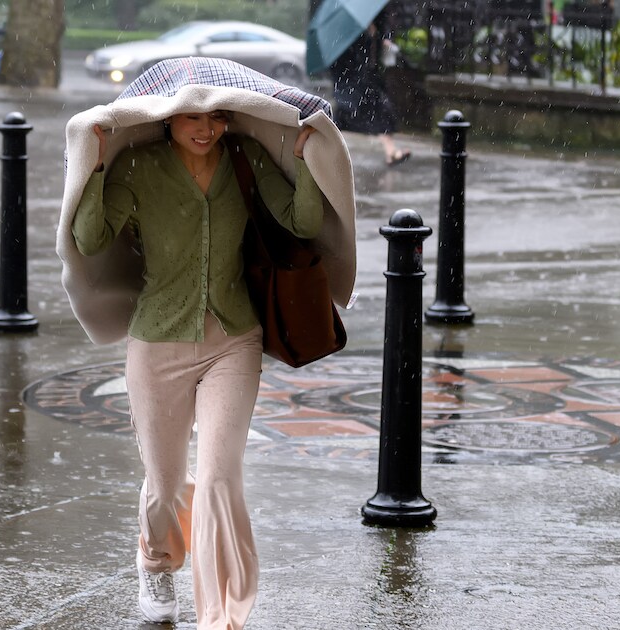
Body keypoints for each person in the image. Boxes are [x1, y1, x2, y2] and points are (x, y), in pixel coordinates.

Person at [71, 112, 320, 628]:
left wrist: (307, 163)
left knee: (218, 480)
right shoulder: (140, 165)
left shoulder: (244, 158)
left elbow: (303, 222)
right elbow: (92, 239)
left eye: (215, 116)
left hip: (234, 341)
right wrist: (93, 168)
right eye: (192, 117)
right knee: (164, 487)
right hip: (157, 344)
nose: (205, 128)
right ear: (169, 118)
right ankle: (155, 560)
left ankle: (223, 615)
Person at [330, 20, 411, 166]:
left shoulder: (355, 26)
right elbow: (356, 57)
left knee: (380, 112)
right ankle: (324, 152)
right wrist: (369, 35)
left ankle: (391, 152)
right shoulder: (348, 31)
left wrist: (373, 34)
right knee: (342, 117)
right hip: (354, 81)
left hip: (361, 81)